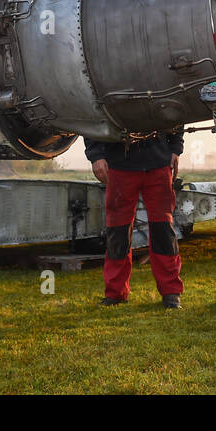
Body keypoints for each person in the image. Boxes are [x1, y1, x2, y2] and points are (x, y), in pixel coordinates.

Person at [86, 130, 185, 309]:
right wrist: (96, 156)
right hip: (118, 165)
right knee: (118, 232)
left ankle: (171, 292)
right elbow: (90, 114)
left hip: (158, 165)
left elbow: (175, 110)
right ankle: (115, 293)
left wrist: (176, 149)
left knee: (163, 230)